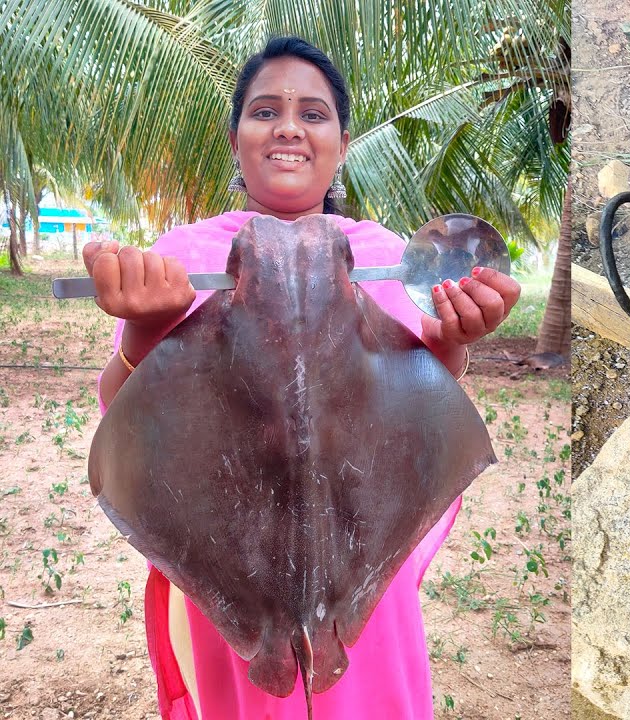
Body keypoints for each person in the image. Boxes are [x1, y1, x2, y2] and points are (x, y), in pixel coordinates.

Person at [85, 36, 519, 720]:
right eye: (265, 111)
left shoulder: (385, 255)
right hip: (227, 566)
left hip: (360, 556)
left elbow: (420, 397)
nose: (288, 127)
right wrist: (145, 330)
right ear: (236, 139)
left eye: (312, 114)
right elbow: (126, 412)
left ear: (341, 145)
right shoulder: (182, 256)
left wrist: (453, 337)